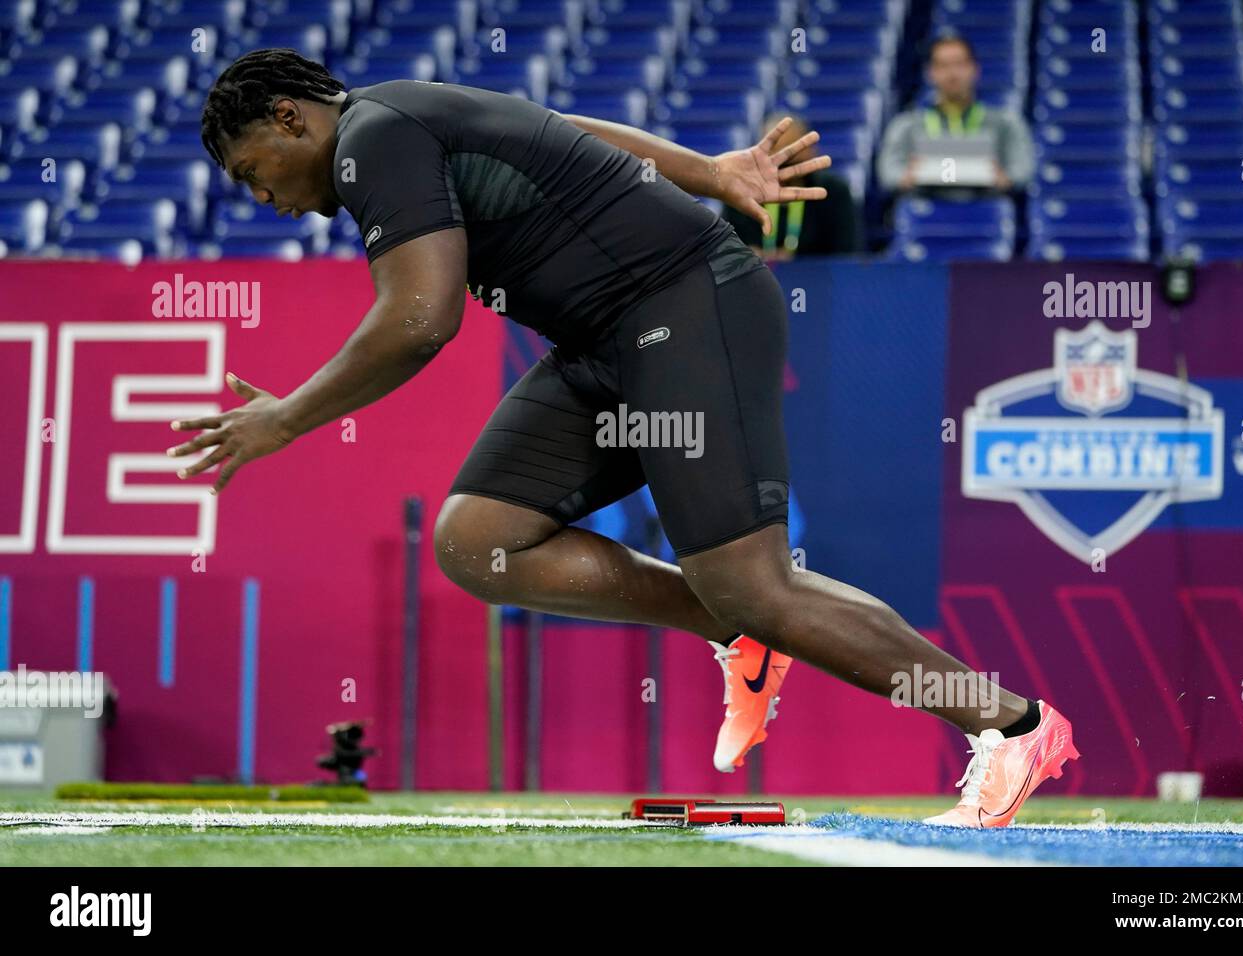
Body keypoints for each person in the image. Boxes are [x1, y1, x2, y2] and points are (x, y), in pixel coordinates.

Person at [176, 49, 1078, 826]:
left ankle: (1011, 727)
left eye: (251, 171)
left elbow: (421, 318)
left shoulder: (374, 139)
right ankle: (739, 630)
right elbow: (566, 127)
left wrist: (286, 417)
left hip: (686, 306)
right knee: (480, 543)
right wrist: (709, 171)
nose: (263, 198)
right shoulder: (405, 113)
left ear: (289, 119)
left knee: (755, 585)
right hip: (604, 344)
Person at [878, 34, 1034, 196]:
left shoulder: (1006, 123)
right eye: (943, 65)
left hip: (984, 210)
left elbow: (1022, 171)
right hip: (925, 209)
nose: (952, 74)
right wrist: (906, 177)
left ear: (974, 69)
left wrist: (1004, 177)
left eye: (959, 64)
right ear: (931, 73)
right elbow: (888, 174)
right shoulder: (906, 125)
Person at [722, 113, 861, 260]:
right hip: (755, 279)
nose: (781, 160)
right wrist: (747, 255)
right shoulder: (741, 194)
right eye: (773, 150)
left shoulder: (831, 192)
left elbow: (845, 255)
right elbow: (725, 252)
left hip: (819, 279)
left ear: (811, 151)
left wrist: (796, 261)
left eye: (791, 150)